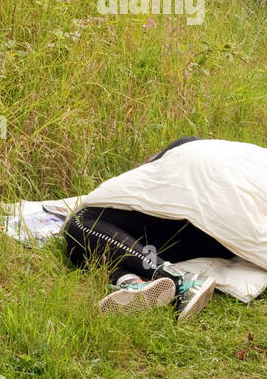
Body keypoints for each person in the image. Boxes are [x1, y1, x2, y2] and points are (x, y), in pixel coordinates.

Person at [63, 137, 229, 321]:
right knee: (80, 247)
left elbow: (147, 182)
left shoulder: (187, 148)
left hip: (194, 225)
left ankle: (179, 278)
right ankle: (132, 282)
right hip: (209, 237)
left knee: (82, 222)